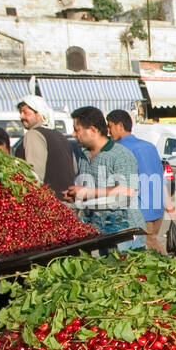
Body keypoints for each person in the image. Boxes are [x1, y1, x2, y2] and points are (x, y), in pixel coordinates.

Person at [65, 106, 144, 249]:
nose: (73, 134)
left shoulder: (120, 155)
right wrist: (77, 196)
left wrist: (88, 192)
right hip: (101, 231)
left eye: (77, 130)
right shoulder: (84, 155)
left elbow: (127, 191)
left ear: (93, 130)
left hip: (125, 233)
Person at [107, 110, 174, 253]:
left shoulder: (120, 150)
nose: (108, 130)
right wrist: (170, 208)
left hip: (140, 213)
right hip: (157, 210)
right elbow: (160, 179)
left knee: (144, 250)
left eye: (110, 126)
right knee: (151, 244)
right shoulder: (149, 147)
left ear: (120, 126)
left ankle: (169, 270)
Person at [14, 95, 77, 195]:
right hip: (66, 201)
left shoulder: (34, 134)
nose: (21, 116)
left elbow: (34, 175)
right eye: (20, 113)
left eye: (25, 112)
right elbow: (74, 169)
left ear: (39, 114)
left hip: (47, 204)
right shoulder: (60, 136)